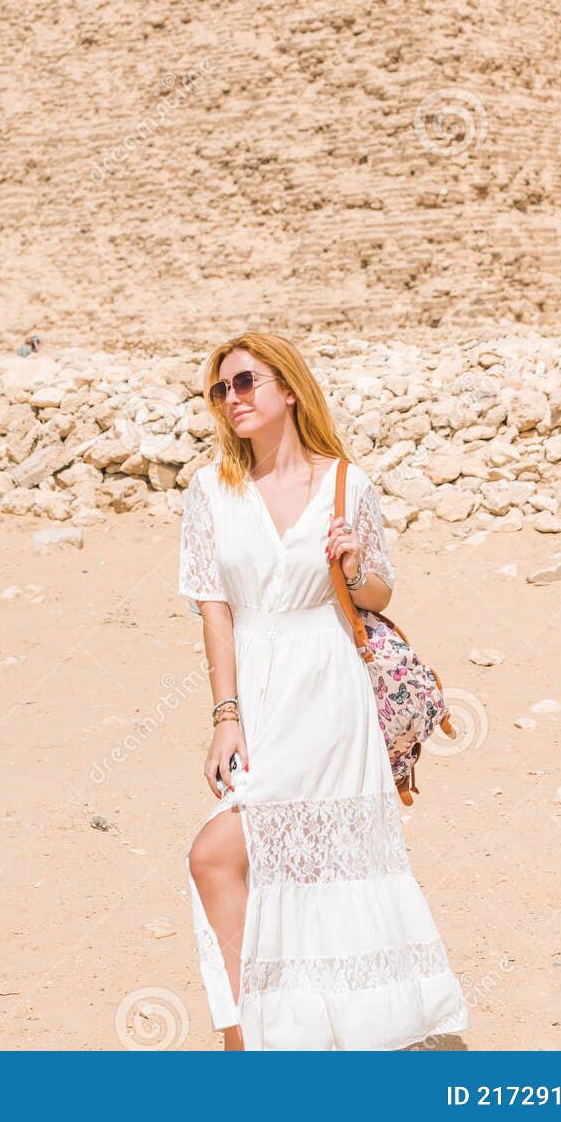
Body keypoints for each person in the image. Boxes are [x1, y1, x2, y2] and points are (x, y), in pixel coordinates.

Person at [179, 331, 469, 1051]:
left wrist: (352, 560)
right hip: (261, 690)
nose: (232, 400)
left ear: (289, 390)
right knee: (232, 855)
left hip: (330, 692)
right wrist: (226, 716)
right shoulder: (211, 491)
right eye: (220, 390)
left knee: (291, 860)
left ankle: (280, 1041)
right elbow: (214, 607)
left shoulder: (348, 482)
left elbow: (376, 591)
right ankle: (268, 1033)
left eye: (245, 382)